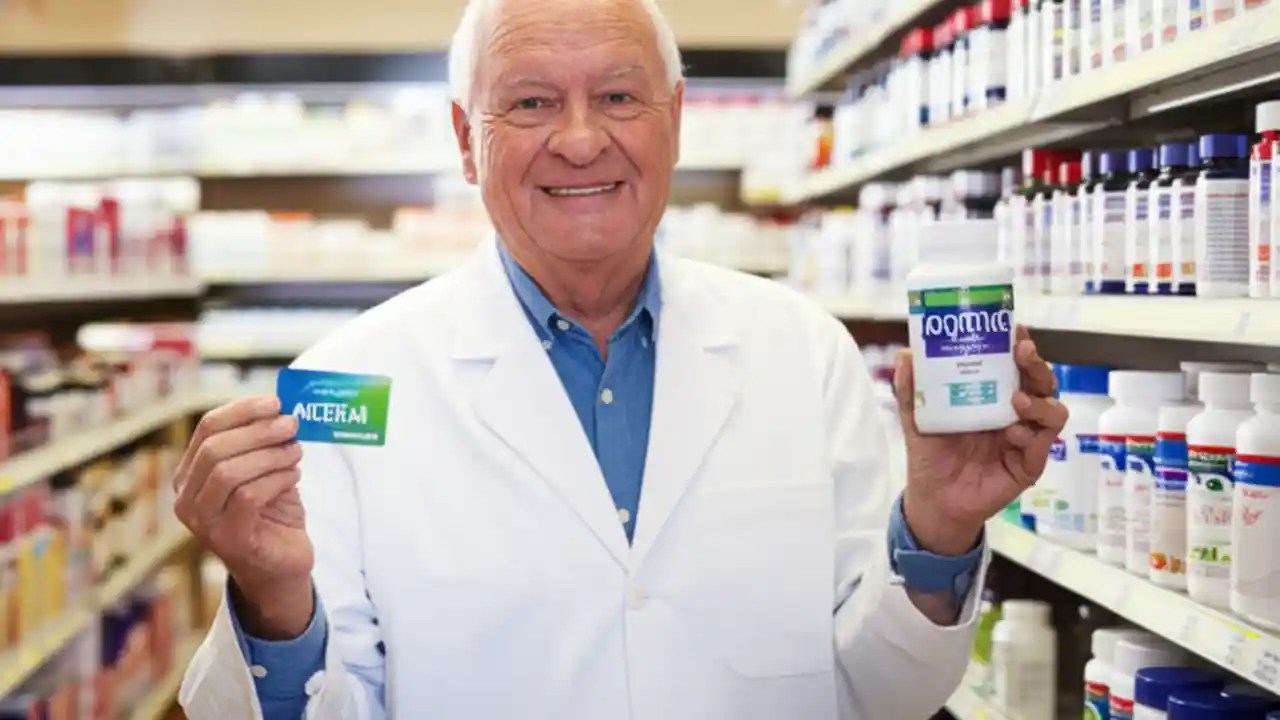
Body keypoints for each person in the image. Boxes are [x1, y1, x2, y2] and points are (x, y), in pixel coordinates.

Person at [175, 0, 1068, 717]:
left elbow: (880, 697)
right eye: (530, 101)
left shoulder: (802, 352)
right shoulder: (348, 379)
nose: (579, 139)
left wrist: (940, 530)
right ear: (462, 137)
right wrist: (273, 604)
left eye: (618, 97)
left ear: (674, 120)